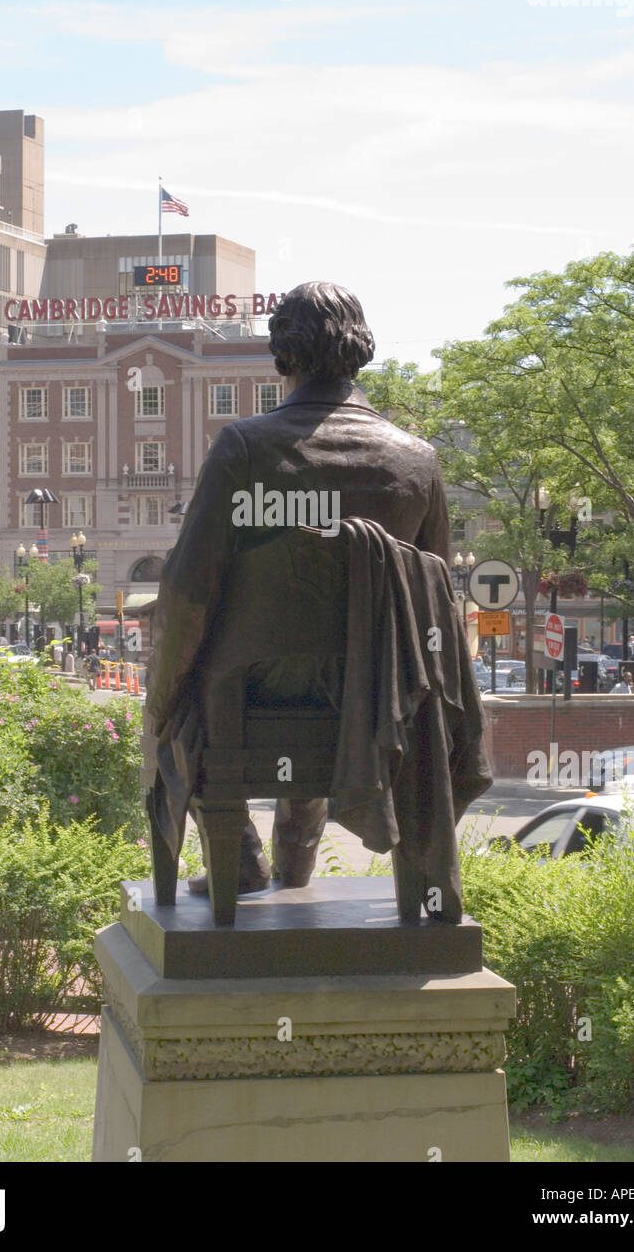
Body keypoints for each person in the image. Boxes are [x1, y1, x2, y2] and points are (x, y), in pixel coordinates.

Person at [145, 280, 457, 898]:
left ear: (280, 355)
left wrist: (163, 691)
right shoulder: (417, 461)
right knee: (330, 668)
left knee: (197, 690)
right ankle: (294, 866)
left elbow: (187, 592)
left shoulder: (244, 449)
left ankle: (240, 860)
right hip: (382, 699)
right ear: (361, 348)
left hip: (253, 693)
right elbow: (438, 599)